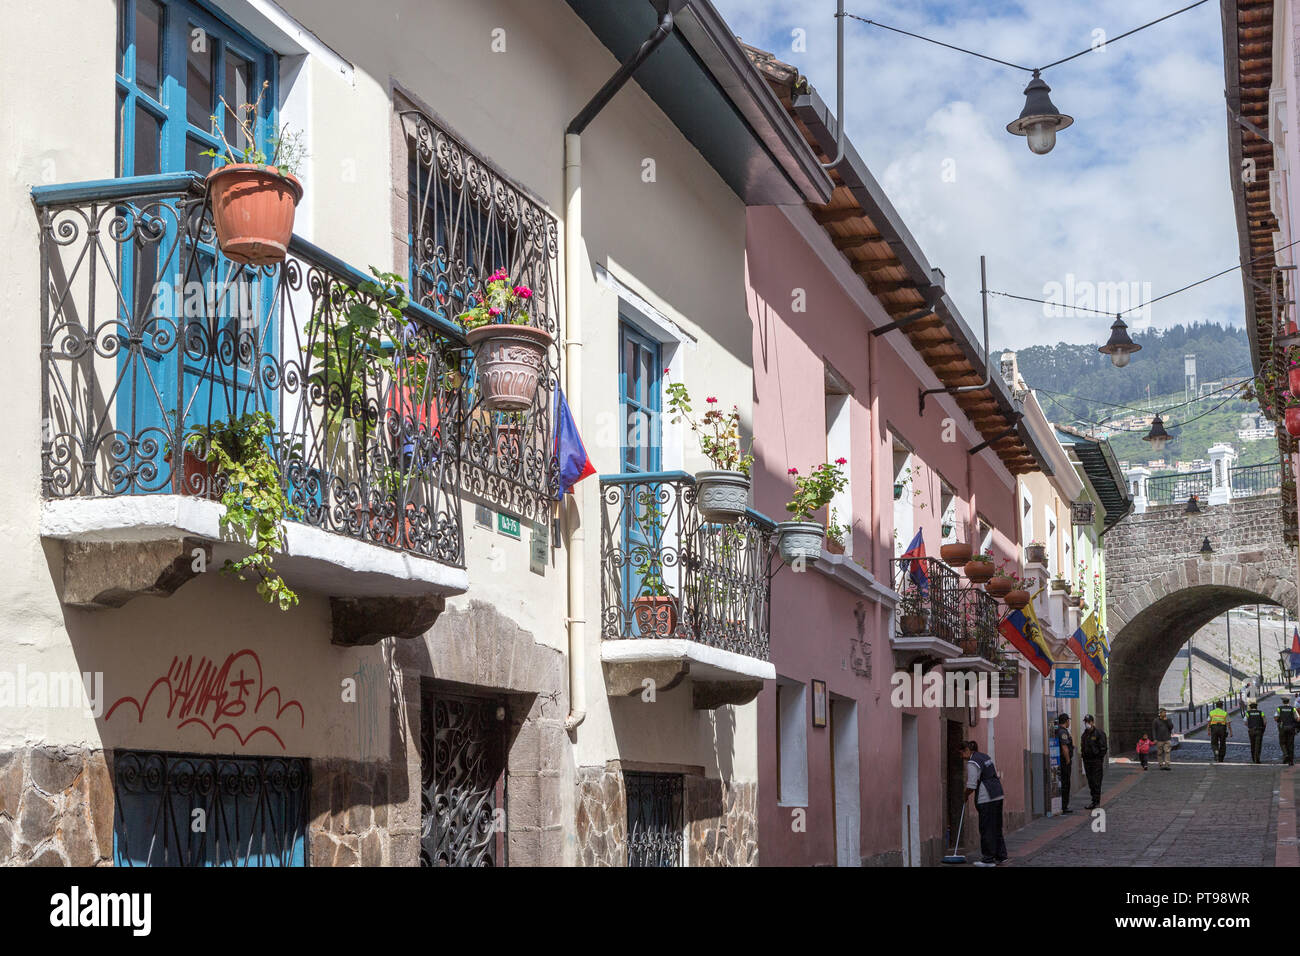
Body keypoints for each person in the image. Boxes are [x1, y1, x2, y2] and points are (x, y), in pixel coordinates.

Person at [962, 739, 1007, 867]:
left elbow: (971, 784)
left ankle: (988, 859)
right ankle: (1001, 855)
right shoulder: (985, 756)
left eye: (961, 754)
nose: (961, 757)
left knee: (986, 828)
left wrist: (964, 796)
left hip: (986, 797)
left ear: (966, 750)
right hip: (997, 793)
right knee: (997, 827)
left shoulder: (972, 762)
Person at [1080, 714, 1108, 809]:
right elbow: (1083, 747)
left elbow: (1103, 748)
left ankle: (1096, 801)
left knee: (1096, 782)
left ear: (1092, 722)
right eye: (1085, 722)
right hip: (1087, 761)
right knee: (1091, 781)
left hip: (1096, 761)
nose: (1086, 724)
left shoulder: (1099, 733)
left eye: (1088, 722)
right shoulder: (1085, 734)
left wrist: (1099, 758)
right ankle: (1093, 800)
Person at [1055, 713, 1074, 814]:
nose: (1069, 722)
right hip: (1064, 762)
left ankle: (1063, 805)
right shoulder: (1063, 732)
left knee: (1063, 783)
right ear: (1066, 721)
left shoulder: (1059, 730)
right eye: (1068, 721)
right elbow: (1064, 747)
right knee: (1065, 783)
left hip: (1060, 762)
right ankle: (1064, 806)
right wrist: (1068, 760)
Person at [1277, 696, 1298, 766]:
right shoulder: (1293, 709)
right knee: (1290, 744)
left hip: (1282, 728)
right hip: (1291, 728)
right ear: (1289, 702)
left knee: (1282, 742)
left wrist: (1280, 719)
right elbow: (1297, 718)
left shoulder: (1279, 709)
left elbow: (1275, 717)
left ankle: (1286, 755)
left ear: (1283, 702)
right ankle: (1291, 761)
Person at [1245, 699, 1266, 763]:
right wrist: (1263, 729)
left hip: (1251, 730)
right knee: (1258, 745)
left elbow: (1245, 722)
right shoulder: (1261, 712)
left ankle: (1253, 758)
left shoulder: (1248, 713)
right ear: (1256, 707)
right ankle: (1257, 758)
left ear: (1250, 707)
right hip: (1259, 730)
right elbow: (1265, 722)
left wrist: (1250, 725)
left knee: (1252, 744)